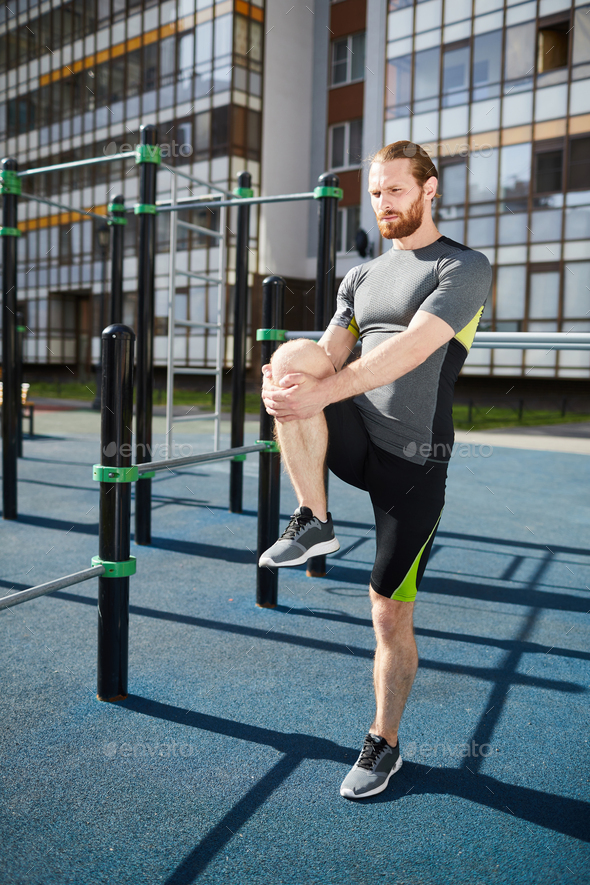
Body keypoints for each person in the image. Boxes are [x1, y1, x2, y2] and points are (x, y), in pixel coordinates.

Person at [259, 140, 492, 800]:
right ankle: (315, 518)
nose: (383, 202)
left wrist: (315, 393)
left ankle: (384, 740)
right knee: (293, 355)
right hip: (358, 434)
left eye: (395, 189)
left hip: (416, 463)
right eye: (376, 192)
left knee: (389, 613)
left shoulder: (464, 267)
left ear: (429, 190)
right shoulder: (360, 277)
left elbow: (409, 351)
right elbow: (331, 354)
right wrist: (287, 382)